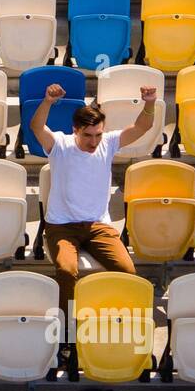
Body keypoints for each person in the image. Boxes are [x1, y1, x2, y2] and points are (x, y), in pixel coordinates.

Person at [29, 83, 158, 306]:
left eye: (98, 134)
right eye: (88, 135)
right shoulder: (60, 144)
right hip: (62, 226)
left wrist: (150, 103)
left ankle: (114, 320)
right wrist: (48, 102)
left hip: (98, 225)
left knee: (128, 271)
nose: (94, 142)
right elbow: (37, 127)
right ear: (75, 130)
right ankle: (67, 329)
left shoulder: (107, 143)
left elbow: (141, 127)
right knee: (67, 271)